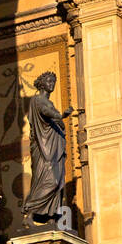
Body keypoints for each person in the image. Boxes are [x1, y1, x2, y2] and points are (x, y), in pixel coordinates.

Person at [22, 70, 73, 227]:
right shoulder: (38, 100)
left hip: (54, 147)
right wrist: (62, 115)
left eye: (53, 82)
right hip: (44, 149)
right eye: (49, 81)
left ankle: (51, 217)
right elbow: (47, 113)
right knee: (49, 180)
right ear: (42, 84)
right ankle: (30, 212)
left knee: (58, 182)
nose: (52, 84)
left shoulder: (48, 102)